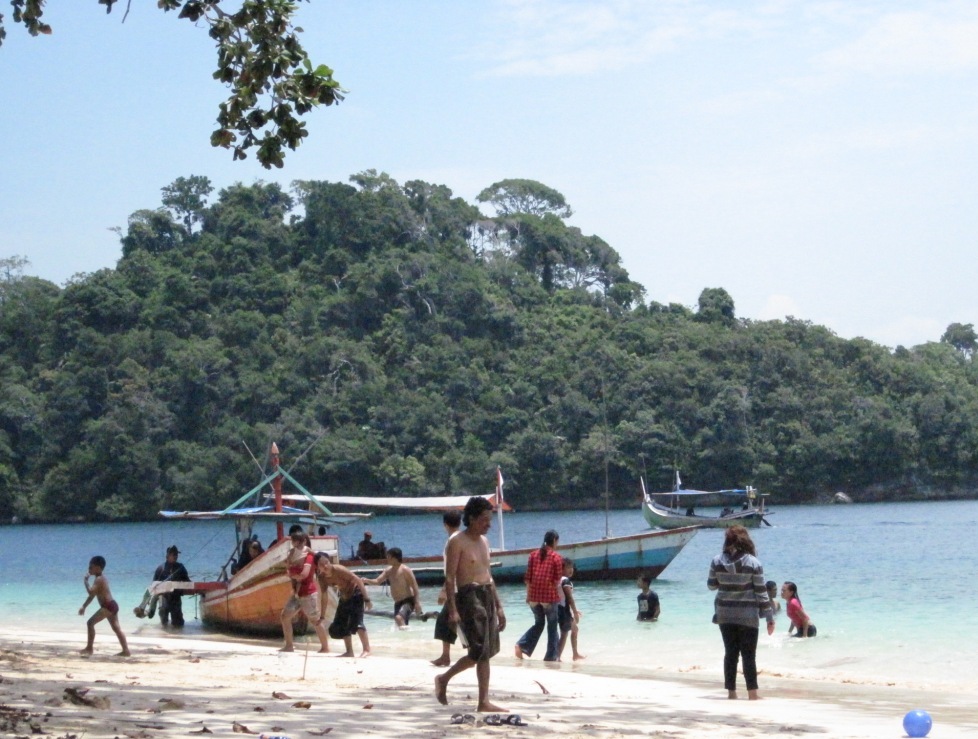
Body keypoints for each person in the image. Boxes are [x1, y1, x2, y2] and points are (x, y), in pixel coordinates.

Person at [434, 496, 507, 713]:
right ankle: (444, 678)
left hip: (486, 594)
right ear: (472, 518)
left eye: (490, 519)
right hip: (468, 596)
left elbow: (489, 576)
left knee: (486, 651)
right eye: (485, 519)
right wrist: (453, 609)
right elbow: (450, 578)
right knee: (478, 651)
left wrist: (500, 606)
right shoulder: (457, 541)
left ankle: (483, 701)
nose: (489, 524)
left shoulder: (484, 542)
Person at [707, 525, 775, 701]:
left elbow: (711, 585)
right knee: (748, 655)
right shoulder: (753, 563)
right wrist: (769, 616)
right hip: (747, 615)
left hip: (724, 613)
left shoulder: (716, 561)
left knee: (730, 653)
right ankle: (752, 694)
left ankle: (731, 693)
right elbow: (761, 592)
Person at [514, 529, 562, 662]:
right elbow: (556, 581)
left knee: (539, 623)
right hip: (548, 597)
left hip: (533, 597)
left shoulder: (533, 555)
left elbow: (528, 578)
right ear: (554, 541)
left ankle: (521, 645)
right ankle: (551, 657)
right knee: (552, 626)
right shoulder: (556, 557)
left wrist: (528, 596)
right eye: (557, 541)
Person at [314, 552, 372, 657]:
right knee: (339, 625)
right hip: (344, 596)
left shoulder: (338, 569)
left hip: (356, 593)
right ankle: (349, 651)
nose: (325, 566)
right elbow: (324, 596)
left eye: (326, 562)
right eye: (321, 565)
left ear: (329, 561)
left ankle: (367, 649)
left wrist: (367, 599)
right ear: (317, 567)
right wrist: (322, 616)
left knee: (357, 623)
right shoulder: (322, 578)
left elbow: (358, 580)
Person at [281, 531, 330, 653]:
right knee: (284, 616)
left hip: (308, 593)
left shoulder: (309, 556)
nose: (294, 544)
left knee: (315, 620)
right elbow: (287, 564)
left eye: (296, 542)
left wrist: (292, 574)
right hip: (297, 592)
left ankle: (325, 647)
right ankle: (289, 645)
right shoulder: (293, 553)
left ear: (303, 541)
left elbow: (304, 574)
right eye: (293, 541)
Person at [79, 556, 130, 656]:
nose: (89, 569)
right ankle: (126, 650)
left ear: (98, 568)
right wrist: (84, 606)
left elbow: (90, 592)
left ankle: (89, 648)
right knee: (116, 629)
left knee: (90, 623)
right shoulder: (101, 579)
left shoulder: (99, 579)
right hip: (112, 605)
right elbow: (92, 596)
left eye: (91, 567)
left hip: (108, 606)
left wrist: (85, 581)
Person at [432, 510, 462, 666]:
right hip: (460, 587)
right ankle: (447, 656)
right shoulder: (462, 538)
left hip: (455, 589)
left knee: (444, 621)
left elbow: (453, 569)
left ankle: (446, 656)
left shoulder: (452, 541)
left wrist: (444, 590)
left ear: (445, 525)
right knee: (456, 622)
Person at [362, 548, 422, 627]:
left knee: (399, 618)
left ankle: (406, 635)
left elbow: (415, 587)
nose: (387, 558)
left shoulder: (405, 570)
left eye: (388, 556)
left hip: (408, 601)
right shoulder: (388, 570)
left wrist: (417, 603)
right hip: (397, 602)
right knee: (400, 622)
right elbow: (377, 581)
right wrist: (366, 580)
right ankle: (406, 637)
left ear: (394, 558)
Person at [153, 545, 190, 627]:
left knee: (178, 624)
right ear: (168, 555)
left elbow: (187, 582)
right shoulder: (160, 568)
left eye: (177, 555)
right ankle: (164, 629)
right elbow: (154, 584)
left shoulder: (180, 567)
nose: (176, 556)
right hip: (164, 596)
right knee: (164, 618)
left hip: (176, 597)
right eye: (174, 554)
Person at [556, 559, 584, 661]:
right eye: (567, 567)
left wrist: (574, 611)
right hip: (564, 611)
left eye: (571, 567)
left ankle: (574, 654)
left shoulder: (558, 579)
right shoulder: (565, 581)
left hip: (559, 610)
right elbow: (569, 598)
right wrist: (575, 612)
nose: (570, 569)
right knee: (564, 634)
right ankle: (558, 657)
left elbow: (562, 598)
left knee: (574, 630)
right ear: (562, 569)